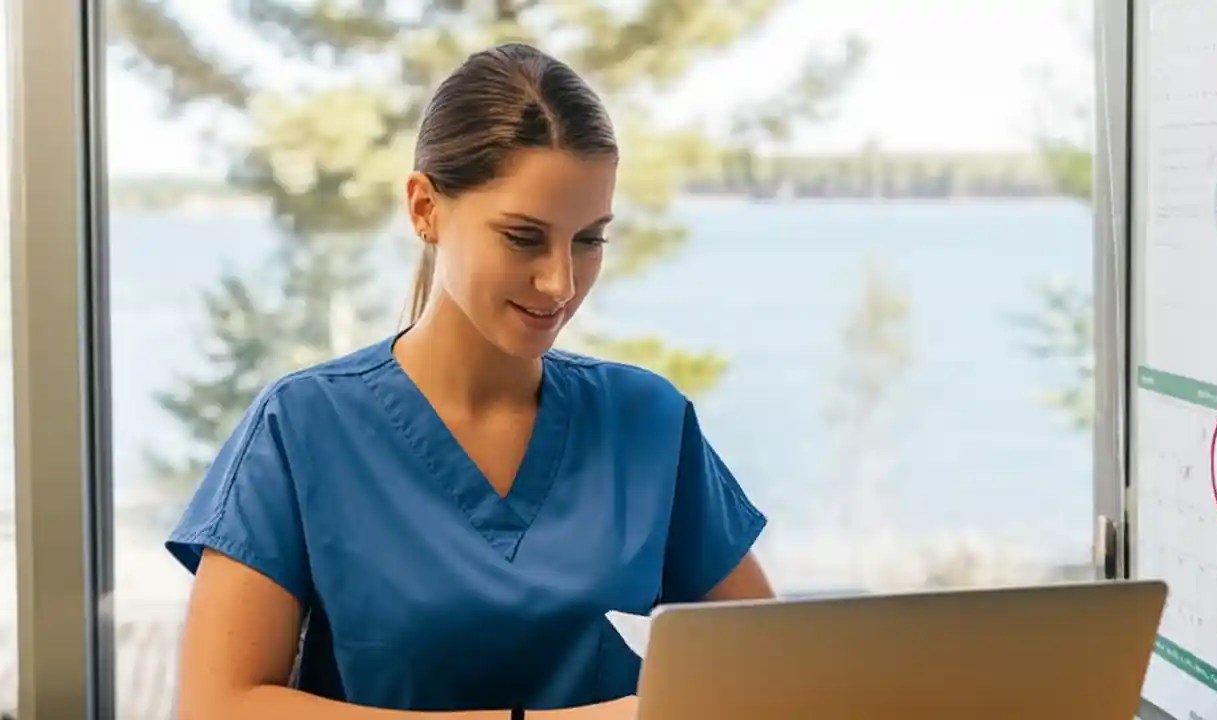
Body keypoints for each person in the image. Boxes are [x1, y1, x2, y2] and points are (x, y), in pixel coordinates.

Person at [165, 42, 773, 720]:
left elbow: (781, 671)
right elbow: (219, 705)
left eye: (589, 239)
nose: (561, 283)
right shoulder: (303, 427)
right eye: (522, 237)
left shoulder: (647, 421)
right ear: (424, 208)